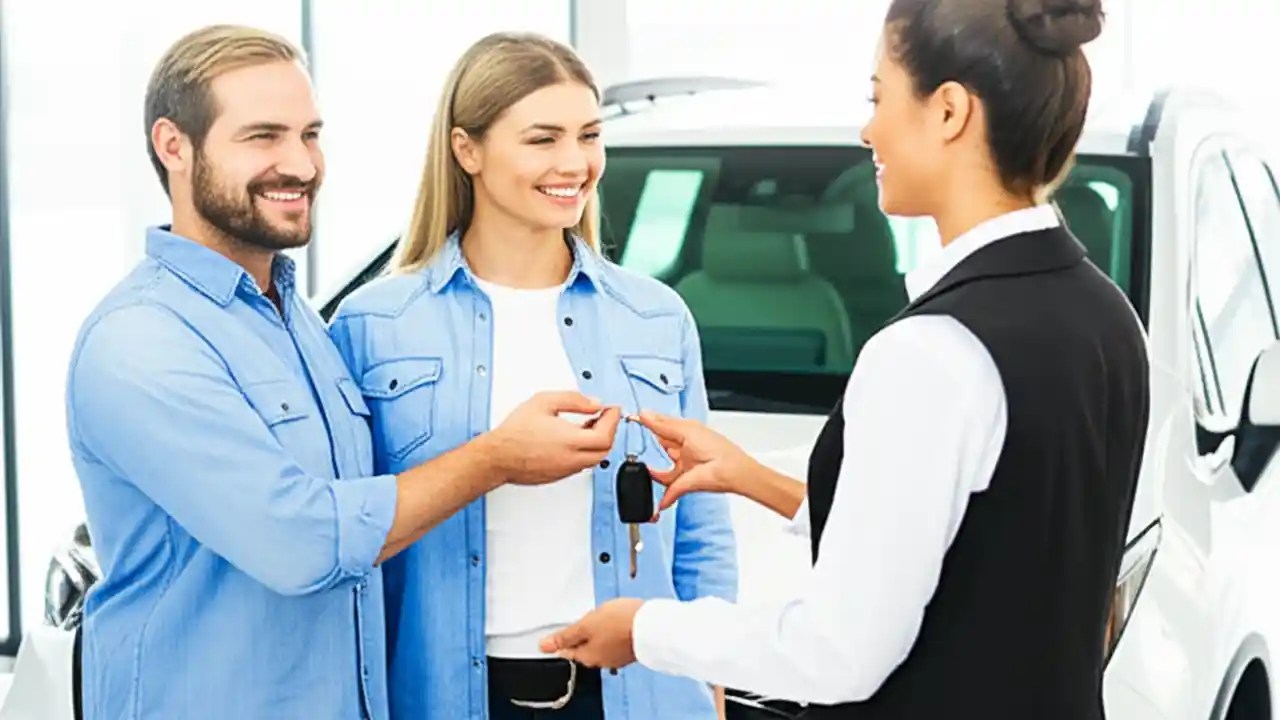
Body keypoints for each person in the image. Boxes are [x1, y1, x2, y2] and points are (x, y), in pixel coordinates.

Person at [541, 1, 1151, 718]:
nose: (869, 129)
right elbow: (988, 545)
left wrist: (644, 628)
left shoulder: (931, 352)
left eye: (878, 97)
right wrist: (756, 480)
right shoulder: (1106, 316)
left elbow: (837, 652)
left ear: (949, 110)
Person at [64, 24, 620, 720]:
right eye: (263, 136)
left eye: (311, 134)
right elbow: (299, 541)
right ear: (174, 146)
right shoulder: (141, 341)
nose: (300, 164)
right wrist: (497, 458)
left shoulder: (299, 323)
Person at [327, 31, 738, 720]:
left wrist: (714, 683)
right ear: (467, 150)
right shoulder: (372, 325)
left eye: (588, 135)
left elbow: (701, 528)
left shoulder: (656, 317)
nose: (574, 163)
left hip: (642, 695)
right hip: (450, 698)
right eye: (543, 139)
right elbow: (349, 538)